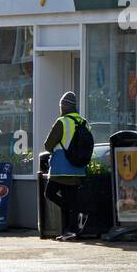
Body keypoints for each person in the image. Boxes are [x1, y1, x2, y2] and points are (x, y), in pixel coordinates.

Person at [43, 91, 89, 241]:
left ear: (63, 106)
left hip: (61, 169)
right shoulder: (84, 122)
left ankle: (75, 214)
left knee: (50, 193)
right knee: (72, 198)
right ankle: (70, 230)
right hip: (78, 168)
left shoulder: (62, 122)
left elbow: (48, 145)